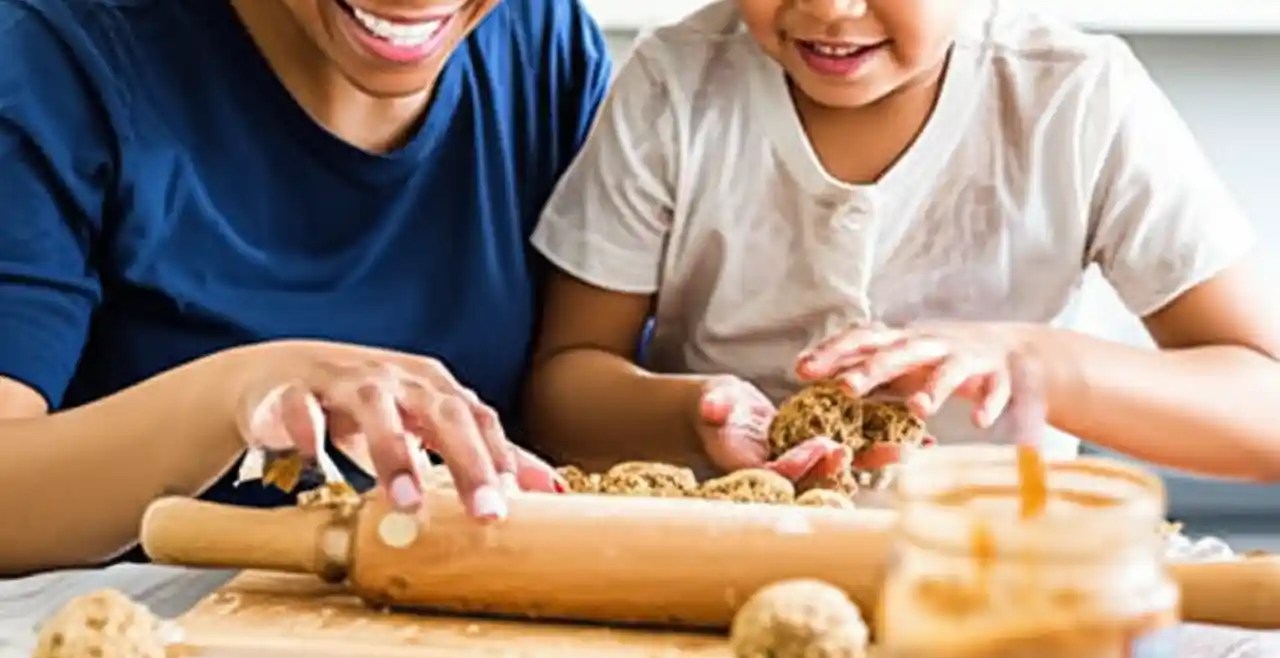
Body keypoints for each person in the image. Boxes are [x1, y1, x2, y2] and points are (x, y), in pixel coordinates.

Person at [523, 0, 1280, 483]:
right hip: (729, 554)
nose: (829, 8)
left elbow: (1264, 412)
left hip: (996, 577)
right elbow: (565, 386)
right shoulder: (675, 85)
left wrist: (1030, 361)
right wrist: (692, 415)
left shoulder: (1078, 97)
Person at [0, 0, 611, 575]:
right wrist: (235, 394)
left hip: (449, 645)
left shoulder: (544, 43)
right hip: (154, 657)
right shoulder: (51, 58)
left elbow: (579, 399)